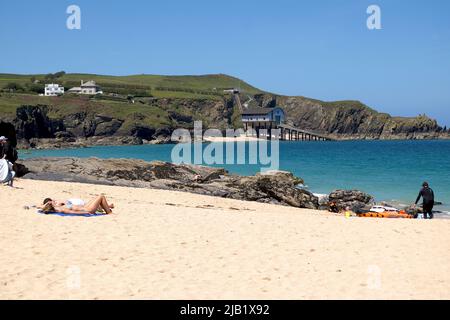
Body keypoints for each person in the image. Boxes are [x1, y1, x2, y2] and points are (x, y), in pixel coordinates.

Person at [40, 195, 115, 215]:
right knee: (101, 196)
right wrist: (85, 213)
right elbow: (71, 212)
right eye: (51, 201)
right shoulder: (61, 209)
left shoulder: (57, 206)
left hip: (85, 207)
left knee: (95, 198)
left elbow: (43, 207)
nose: (53, 201)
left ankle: (107, 207)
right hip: (88, 210)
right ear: (50, 204)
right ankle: (109, 213)